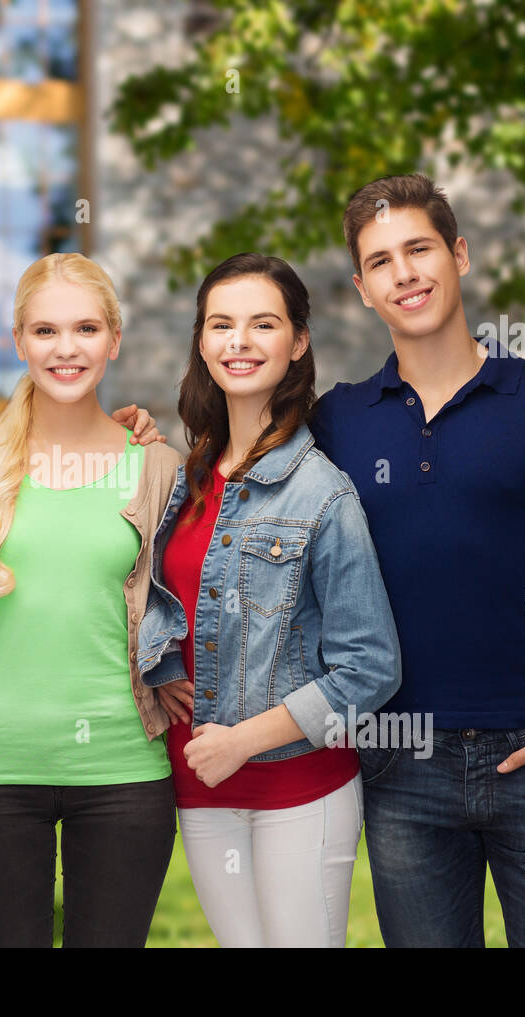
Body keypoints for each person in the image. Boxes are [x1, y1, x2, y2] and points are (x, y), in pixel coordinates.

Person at [311, 173, 525, 947]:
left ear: (459, 255)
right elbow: (236, 461)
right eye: (380, 262)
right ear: (363, 289)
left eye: (419, 249)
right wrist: (135, 433)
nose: (404, 273)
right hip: (399, 767)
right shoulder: (337, 421)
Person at [136, 253, 401, 947]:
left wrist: (242, 742)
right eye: (221, 324)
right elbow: (163, 601)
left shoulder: (323, 493)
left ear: (298, 342)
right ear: (201, 340)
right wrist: (163, 674)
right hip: (200, 786)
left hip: (300, 789)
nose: (239, 341)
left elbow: (369, 667)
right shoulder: (184, 478)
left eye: (263, 324)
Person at [0, 253, 182, 947]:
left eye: (85, 329)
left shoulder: (158, 468)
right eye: (45, 331)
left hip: (124, 773)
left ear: (114, 339)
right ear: (19, 341)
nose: (66, 349)